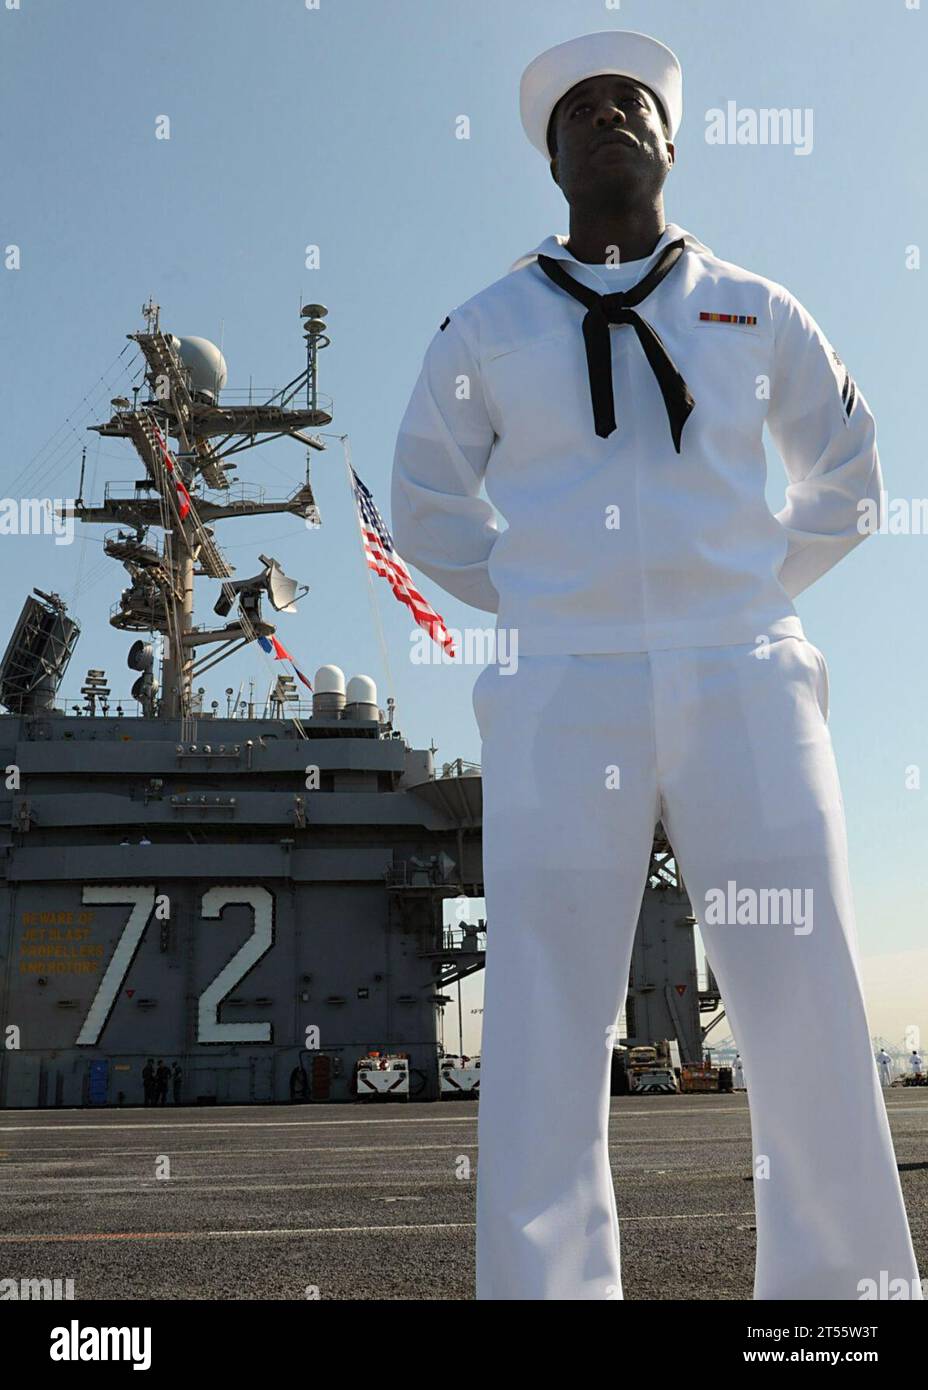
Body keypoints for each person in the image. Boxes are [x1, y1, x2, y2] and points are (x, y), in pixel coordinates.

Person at [390, 29, 922, 1301]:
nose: (612, 116)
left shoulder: (755, 305)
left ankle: (837, 1309)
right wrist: (541, 597)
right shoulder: (486, 323)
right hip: (563, 688)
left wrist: (738, 593)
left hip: (745, 673)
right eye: (584, 109)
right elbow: (425, 507)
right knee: (541, 1019)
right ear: (553, 157)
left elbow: (849, 482)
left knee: (803, 996)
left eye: (634, 103)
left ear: (671, 142)